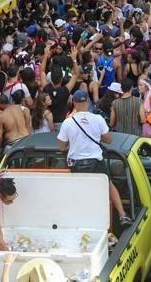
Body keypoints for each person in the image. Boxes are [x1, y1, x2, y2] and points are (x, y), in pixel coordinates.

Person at [56, 89, 131, 226]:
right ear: (88, 102)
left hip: (76, 164)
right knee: (109, 186)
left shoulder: (68, 122)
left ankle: (78, 220)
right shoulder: (98, 119)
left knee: (78, 192)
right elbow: (108, 140)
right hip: (96, 161)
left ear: (74, 103)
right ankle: (122, 215)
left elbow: (61, 147)